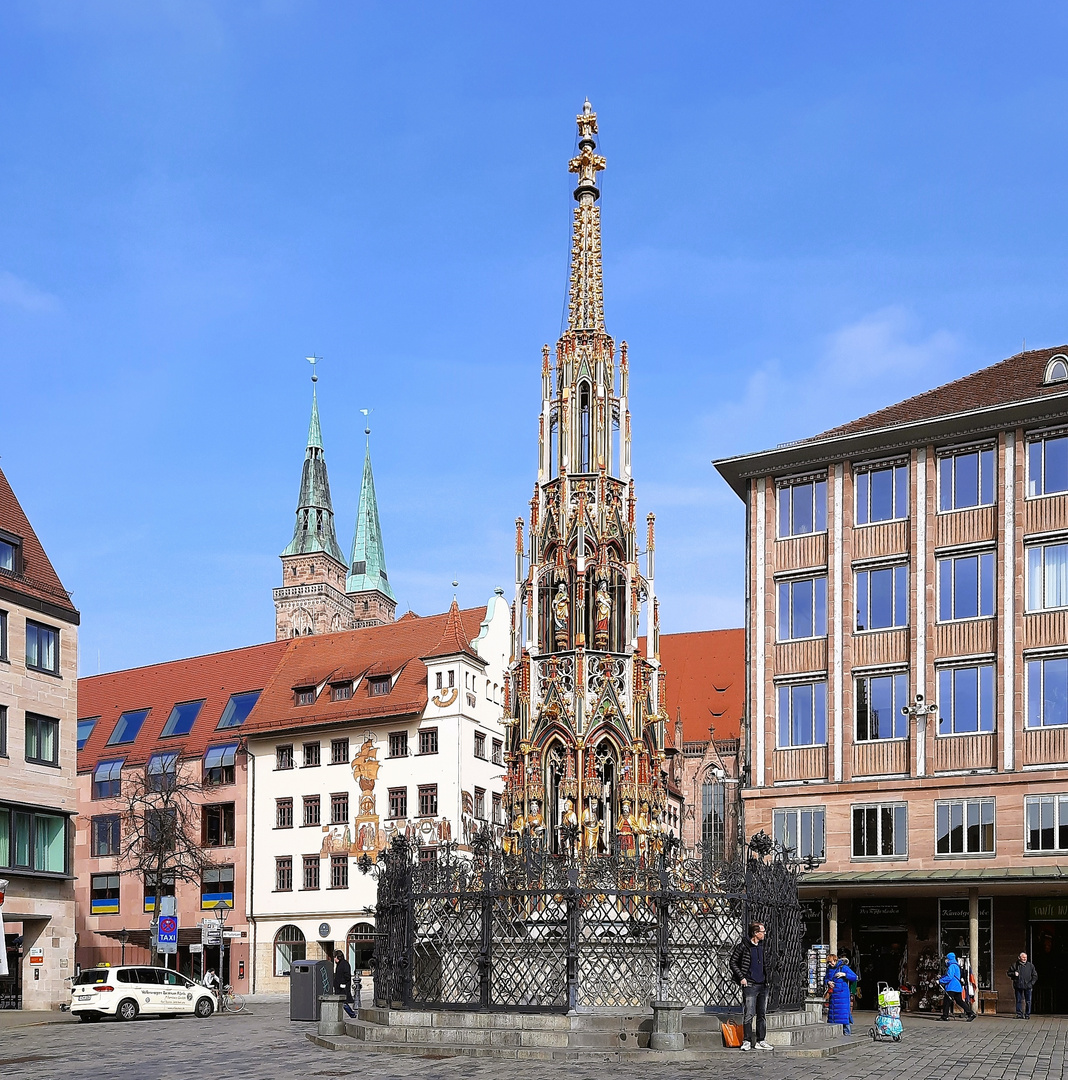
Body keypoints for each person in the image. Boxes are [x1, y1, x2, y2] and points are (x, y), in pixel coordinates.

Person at [729, 922, 773, 1052]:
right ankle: (746, 1040)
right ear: (755, 933)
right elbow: (733, 961)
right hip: (750, 983)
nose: (764, 933)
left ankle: (761, 1040)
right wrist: (741, 977)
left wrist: (768, 977)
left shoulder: (763, 947)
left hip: (763, 984)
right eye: (762, 931)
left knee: (762, 1014)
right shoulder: (743, 946)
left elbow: (767, 963)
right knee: (749, 1013)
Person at [823, 954, 858, 1035]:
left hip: (843, 996)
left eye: (831, 962)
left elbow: (855, 977)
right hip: (833, 995)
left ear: (835, 960)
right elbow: (826, 978)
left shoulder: (844, 968)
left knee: (843, 1015)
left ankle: (847, 1033)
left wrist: (844, 974)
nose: (830, 964)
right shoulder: (829, 969)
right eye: (828, 962)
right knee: (833, 1015)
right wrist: (828, 982)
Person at [937, 952, 976, 1021]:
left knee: (947, 1001)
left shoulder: (951, 966)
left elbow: (949, 976)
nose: (946, 960)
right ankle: (970, 1013)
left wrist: (940, 980)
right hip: (957, 987)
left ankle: (945, 1016)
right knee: (959, 1001)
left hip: (951, 987)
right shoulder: (957, 966)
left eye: (947, 959)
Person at [1008, 952, 1038, 1019]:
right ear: (1019, 958)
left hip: (1028, 986)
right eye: (1023, 957)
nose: (1024, 959)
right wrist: (1013, 974)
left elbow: (1035, 976)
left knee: (1028, 1001)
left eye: (1025, 957)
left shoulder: (1030, 966)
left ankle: (1027, 1014)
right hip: (1018, 985)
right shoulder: (1015, 965)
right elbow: (1008, 973)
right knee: (1018, 1000)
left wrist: (1031, 983)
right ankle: (1019, 1014)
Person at [333, 950, 357, 1019]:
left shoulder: (344, 964)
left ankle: (352, 1014)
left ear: (338, 957)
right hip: (338, 987)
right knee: (340, 1002)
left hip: (343, 987)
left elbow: (347, 976)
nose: (334, 959)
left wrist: (342, 983)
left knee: (343, 1002)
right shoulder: (339, 964)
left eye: (335, 957)